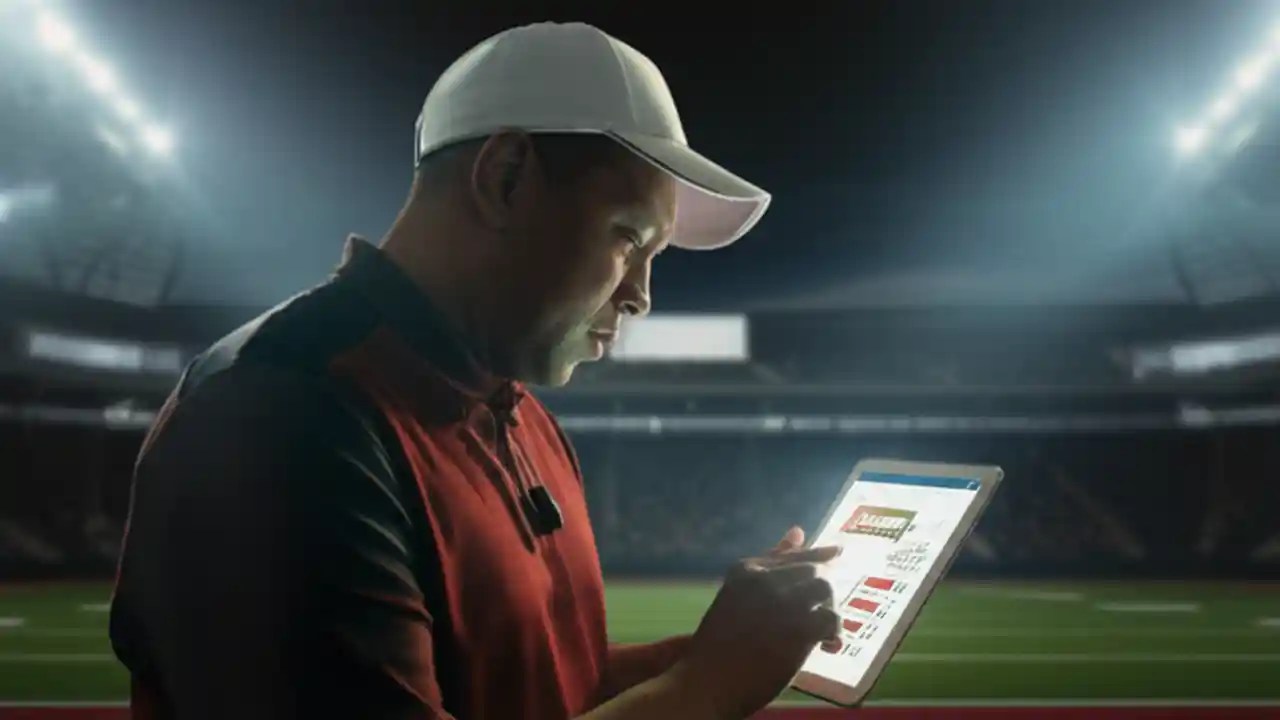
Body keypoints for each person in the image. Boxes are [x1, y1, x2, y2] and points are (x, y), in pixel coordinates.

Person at [109, 21, 841, 720]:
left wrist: (714, 658)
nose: (642, 296)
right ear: (507, 176)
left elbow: (547, 691)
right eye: (628, 238)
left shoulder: (524, 418)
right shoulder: (276, 414)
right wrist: (704, 691)